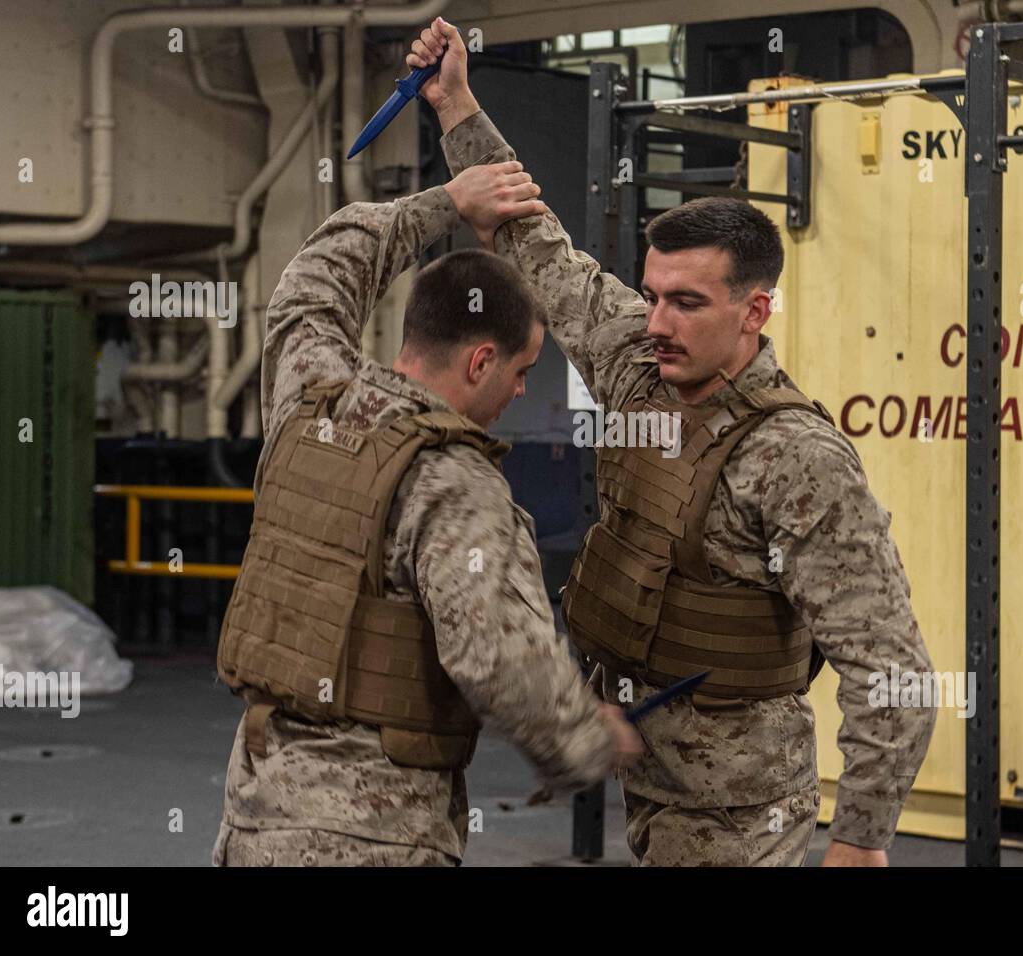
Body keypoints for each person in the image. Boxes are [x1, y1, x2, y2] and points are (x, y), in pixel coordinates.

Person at [408, 17, 937, 867]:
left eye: (686, 303)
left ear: (754, 311)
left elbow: (892, 671)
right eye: (652, 294)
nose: (655, 321)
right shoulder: (636, 359)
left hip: (739, 804)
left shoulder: (796, 457)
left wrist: (862, 842)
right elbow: (532, 239)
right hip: (644, 764)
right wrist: (457, 104)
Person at [212, 161, 640, 867]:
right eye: (522, 369)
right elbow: (498, 658)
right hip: (377, 834)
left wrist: (445, 203)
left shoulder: (307, 393)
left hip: (252, 814)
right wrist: (590, 742)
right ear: (479, 362)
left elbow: (316, 276)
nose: (521, 389)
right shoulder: (455, 479)